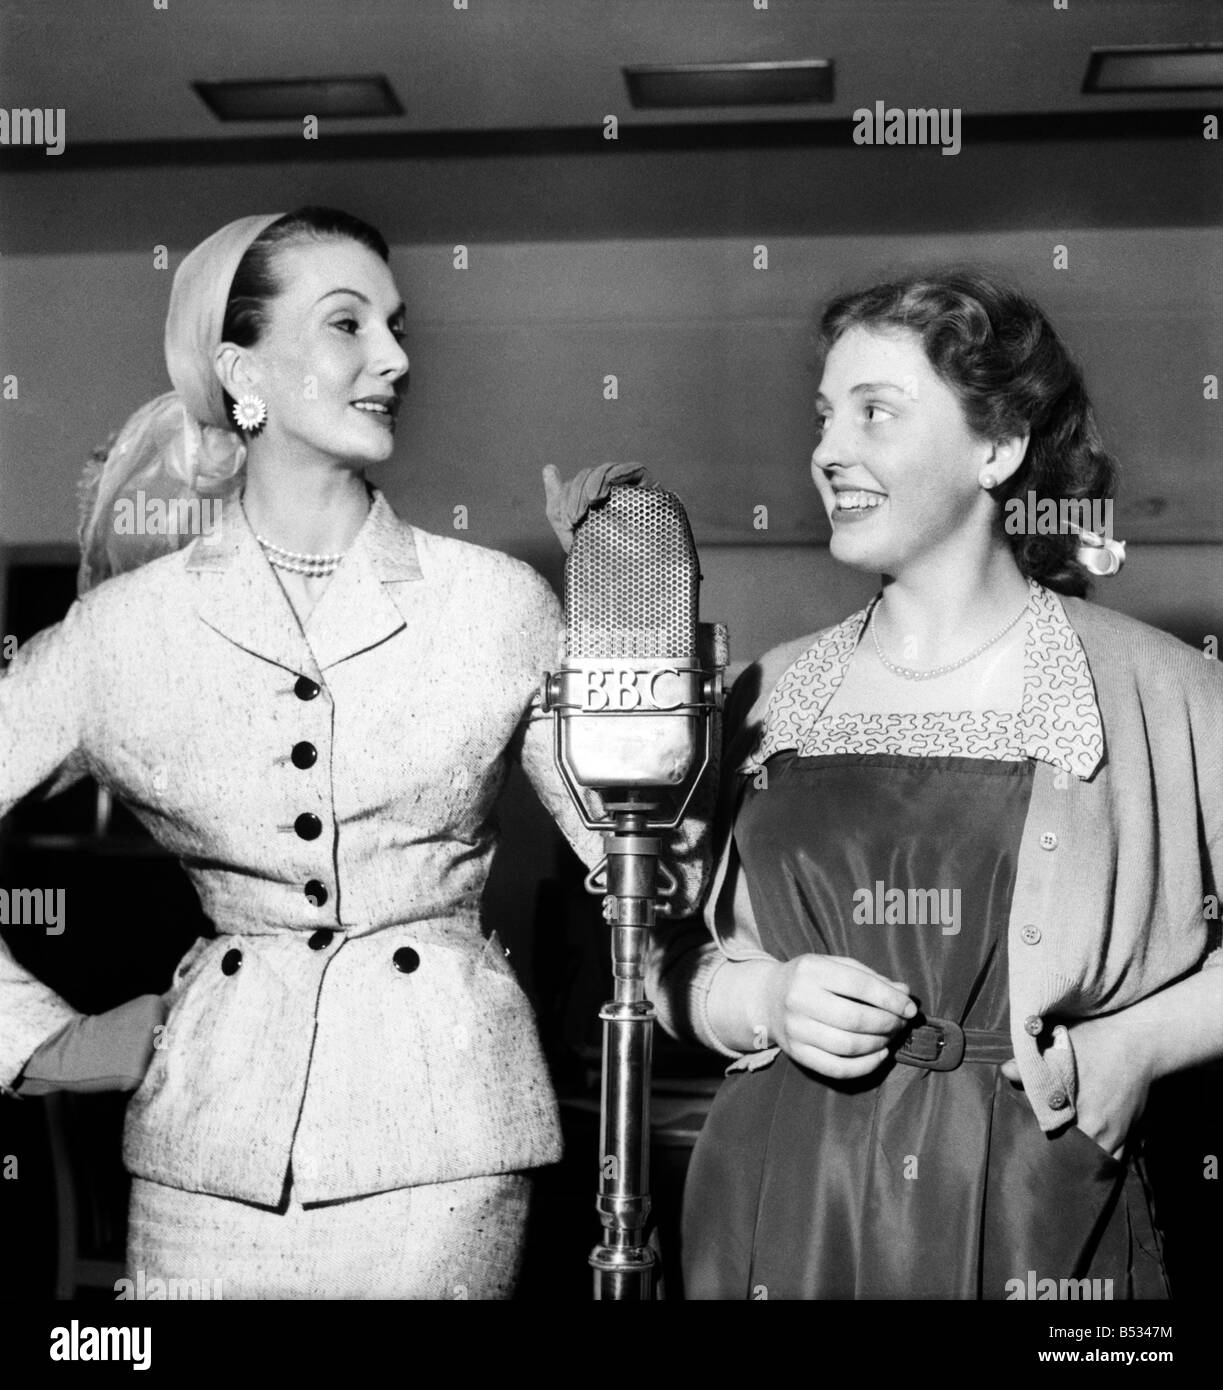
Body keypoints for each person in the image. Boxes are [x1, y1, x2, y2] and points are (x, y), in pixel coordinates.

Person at [0, 207, 706, 1299]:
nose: (395, 358)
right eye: (347, 325)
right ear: (242, 368)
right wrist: (43, 1041)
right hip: (205, 1161)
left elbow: (647, 868)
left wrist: (631, 615)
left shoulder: (497, 604)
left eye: (397, 325)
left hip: (443, 1148)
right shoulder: (121, 634)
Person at [648, 269, 1223, 1300]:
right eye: (825, 415)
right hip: (778, 1205)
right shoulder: (761, 694)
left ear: (996, 448)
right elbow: (655, 959)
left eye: (875, 412)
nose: (827, 450)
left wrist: (1137, 1044)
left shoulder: (1164, 690)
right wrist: (765, 998)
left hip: (1038, 1215)